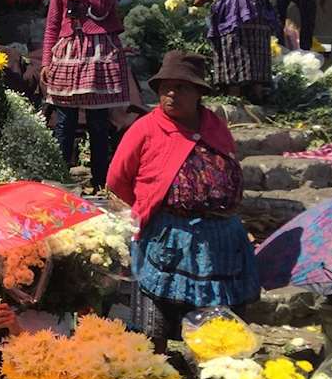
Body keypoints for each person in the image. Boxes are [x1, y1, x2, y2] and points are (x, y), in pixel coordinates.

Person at [107, 51, 259, 353]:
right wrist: (145, 208)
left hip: (220, 241)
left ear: (199, 93)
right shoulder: (146, 128)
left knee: (217, 321)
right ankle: (154, 374)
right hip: (168, 237)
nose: (172, 93)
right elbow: (117, 180)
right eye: (166, 87)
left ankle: (215, 375)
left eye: (182, 87)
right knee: (155, 321)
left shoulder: (214, 125)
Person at [41, 0, 129, 191]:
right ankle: (59, 178)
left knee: (98, 122)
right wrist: (46, 60)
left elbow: (102, 6)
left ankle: (100, 181)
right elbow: (53, 22)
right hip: (68, 54)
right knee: (64, 120)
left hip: (98, 53)